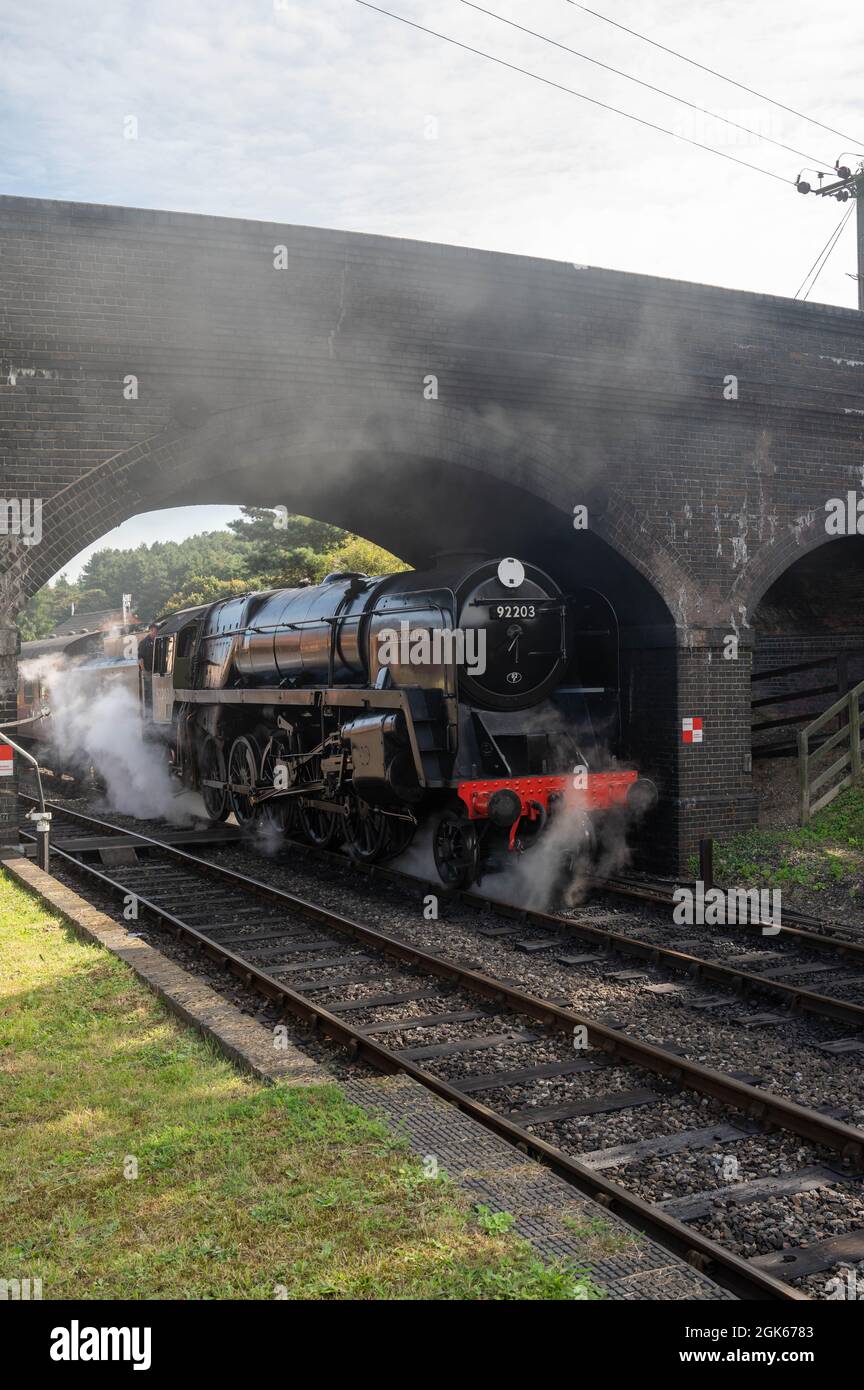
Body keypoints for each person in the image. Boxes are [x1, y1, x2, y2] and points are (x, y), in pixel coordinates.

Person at [137, 622, 159, 715]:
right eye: (155, 631)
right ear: (151, 630)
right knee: (149, 693)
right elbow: (140, 658)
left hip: (158, 671)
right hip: (148, 671)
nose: (156, 633)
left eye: (157, 631)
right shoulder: (144, 643)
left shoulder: (159, 640)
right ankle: (149, 713)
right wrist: (144, 671)